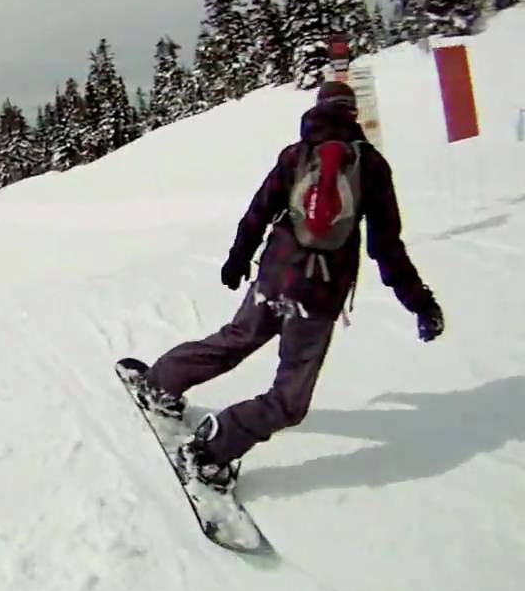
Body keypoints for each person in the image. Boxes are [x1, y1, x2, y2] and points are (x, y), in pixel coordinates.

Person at [126, 80, 445, 492]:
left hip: (275, 275)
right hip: (317, 297)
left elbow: (259, 210)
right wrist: (420, 303)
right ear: (352, 113)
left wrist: (239, 257)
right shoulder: (371, 166)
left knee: (234, 339)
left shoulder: (295, 156)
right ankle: (210, 450)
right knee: (289, 398)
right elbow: (387, 248)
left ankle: (161, 383)